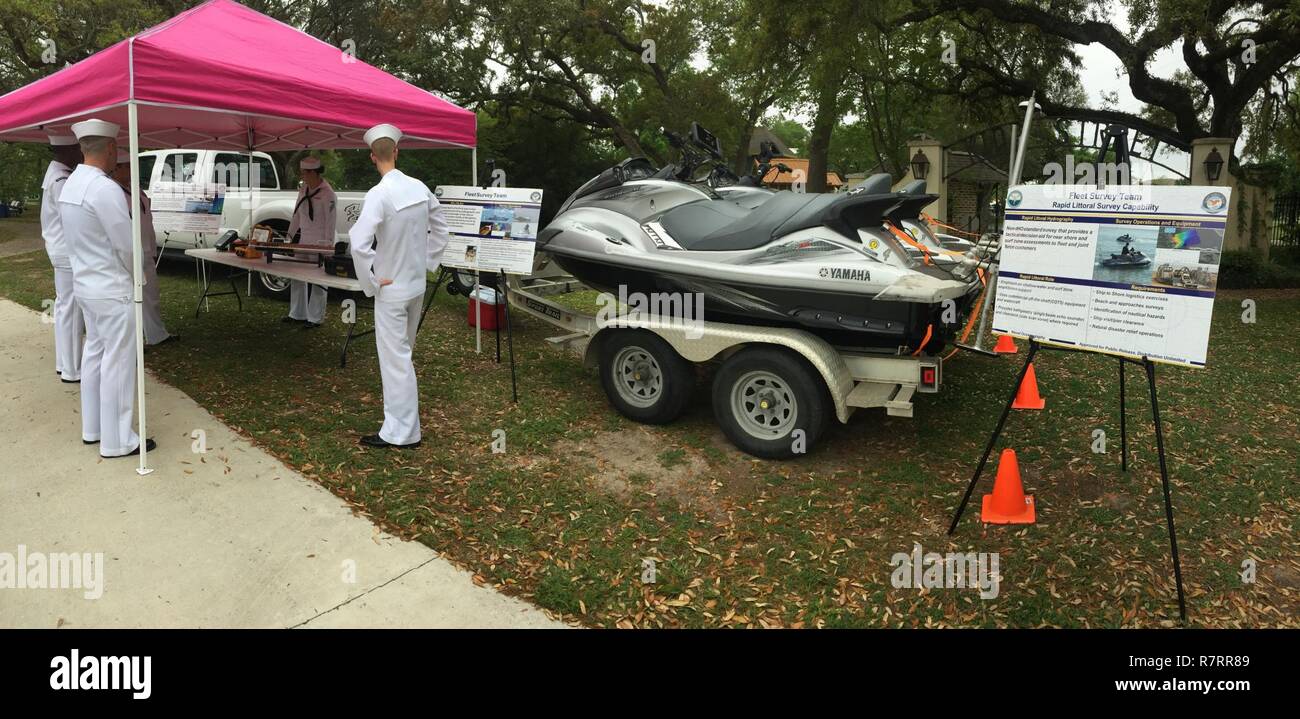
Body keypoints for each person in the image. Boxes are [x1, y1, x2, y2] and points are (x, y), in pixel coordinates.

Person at [349, 124, 449, 448]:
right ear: (396, 151)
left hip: (392, 291)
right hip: (415, 286)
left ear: (371, 157)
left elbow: (358, 243)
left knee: (396, 361)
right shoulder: (420, 188)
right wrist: (427, 262)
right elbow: (442, 229)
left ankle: (401, 433)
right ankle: (403, 427)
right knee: (402, 357)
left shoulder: (379, 194)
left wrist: (372, 281)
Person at [59, 118, 155, 458]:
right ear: (112, 148)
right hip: (113, 288)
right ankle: (119, 440)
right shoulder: (105, 189)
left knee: (95, 355)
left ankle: (94, 428)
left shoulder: (71, 184)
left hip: (86, 284)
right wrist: (139, 279)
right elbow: (126, 245)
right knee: (118, 362)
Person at [110, 149, 175, 346]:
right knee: (130, 298)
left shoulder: (134, 188)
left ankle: (156, 334)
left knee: (150, 294)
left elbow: (146, 217)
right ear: (116, 168)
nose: (132, 171)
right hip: (129, 251)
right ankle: (133, 341)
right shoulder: (112, 192)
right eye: (128, 167)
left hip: (145, 248)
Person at [42, 134, 85, 383]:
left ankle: (64, 363)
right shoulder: (61, 179)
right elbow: (71, 219)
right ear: (68, 150)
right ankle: (71, 368)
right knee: (70, 310)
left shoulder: (56, 174)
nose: (81, 153)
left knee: (64, 307)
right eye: (78, 148)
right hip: (67, 252)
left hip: (61, 250)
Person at [284, 156, 336, 328]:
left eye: (304, 173)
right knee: (297, 276)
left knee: (318, 279)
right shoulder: (303, 189)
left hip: (320, 241)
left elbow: (331, 221)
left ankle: (315, 317)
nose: (302, 176)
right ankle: (297, 313)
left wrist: (328, 245)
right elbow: (297, 214)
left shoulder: (327, 193)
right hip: (304, 239)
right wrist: (289, 236)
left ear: (313, 172)